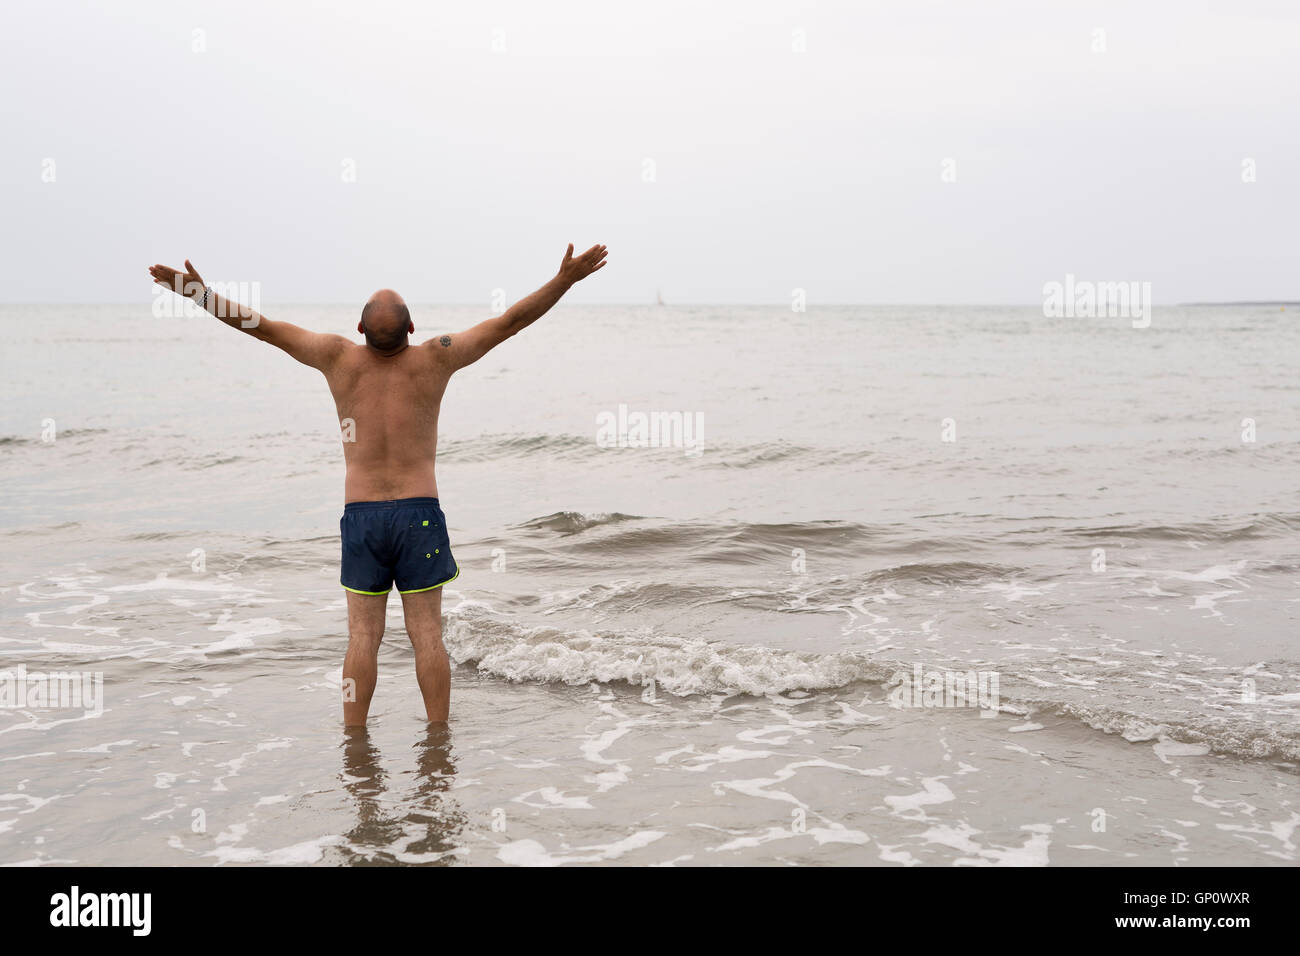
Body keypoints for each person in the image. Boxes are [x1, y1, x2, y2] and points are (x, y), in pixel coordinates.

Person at [148, 244, 609, 726]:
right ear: (412, 330)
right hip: (419, 514)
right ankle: (437, 736)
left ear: (360, 330)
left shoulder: (335, 356)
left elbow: (259, 327)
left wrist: (198, 294)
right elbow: (511, 321)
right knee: (428, 634)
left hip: (362, 516)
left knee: (361, 638)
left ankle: (354, 737)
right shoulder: (437, 356)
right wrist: (565, 280)